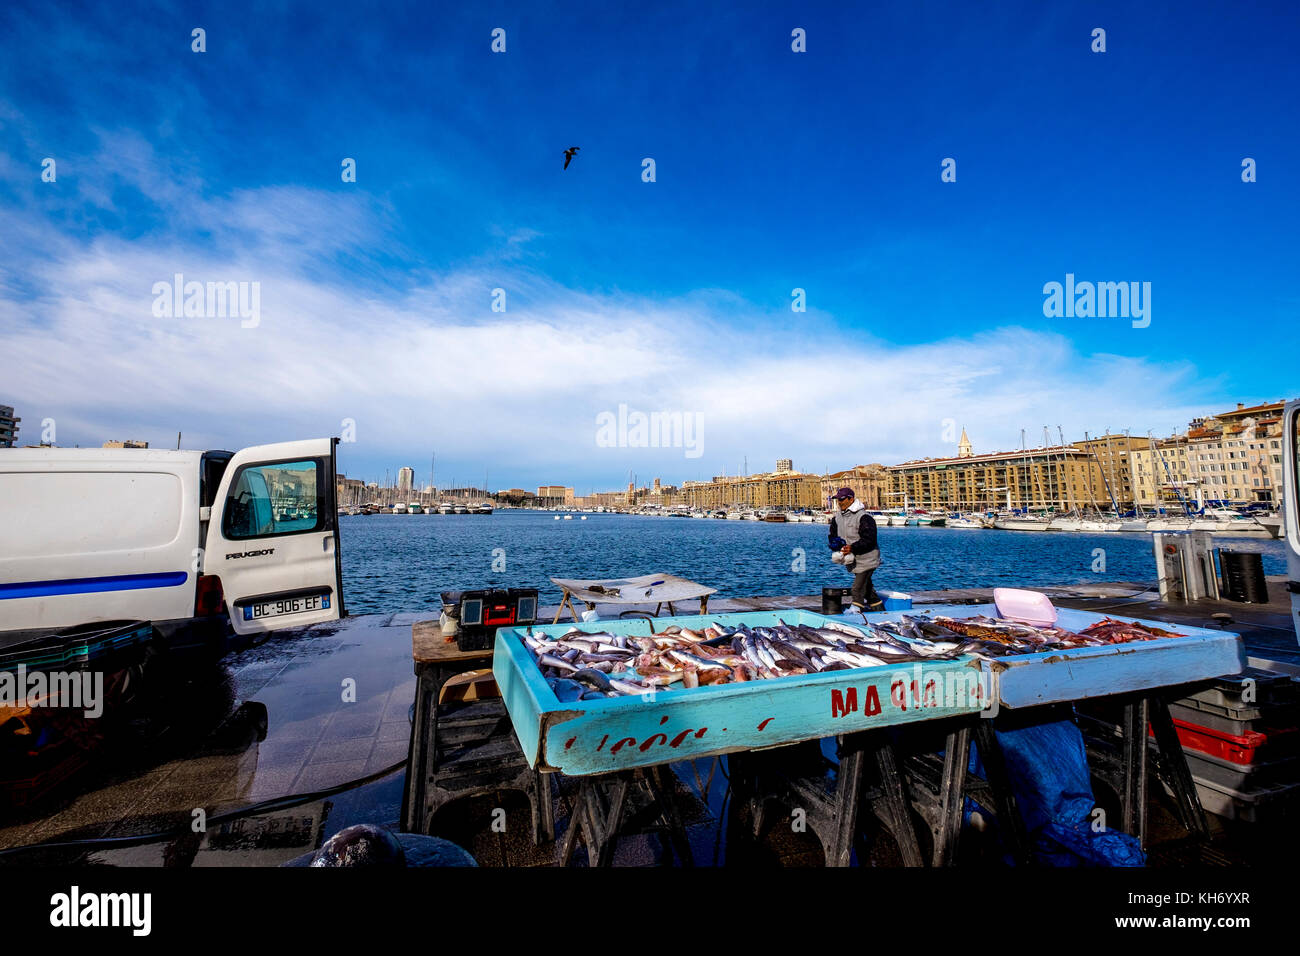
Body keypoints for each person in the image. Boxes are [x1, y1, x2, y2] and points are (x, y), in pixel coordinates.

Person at [827, 487, 884, 613]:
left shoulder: (864, 517)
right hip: (853, 560)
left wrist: (852, 547)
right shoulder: (837, 518)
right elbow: (832, 535)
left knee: (857, 589)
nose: (839, 502)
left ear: (851, 499)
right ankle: (882, 613)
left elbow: (870, 540)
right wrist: (835, 545)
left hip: (868, 560)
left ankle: (855, 611)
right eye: (838, 500)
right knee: (868, 590)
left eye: (842, 499)